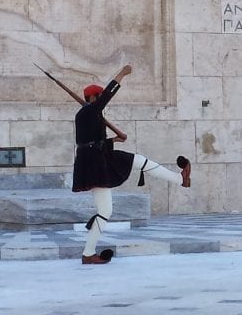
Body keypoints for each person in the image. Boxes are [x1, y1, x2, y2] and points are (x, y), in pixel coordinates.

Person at [73, 64, 191, 264]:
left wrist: (114, 140)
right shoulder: (88, 112)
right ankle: (88, 254)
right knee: (106, 209)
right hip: (95, 163)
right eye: (98, 97)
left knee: (136, 166)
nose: (101, 99)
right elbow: (108, 95)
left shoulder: (90, 114)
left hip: (99, 158)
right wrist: (122, 74)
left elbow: (91, 141)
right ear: (92, 98)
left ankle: (180, 179)